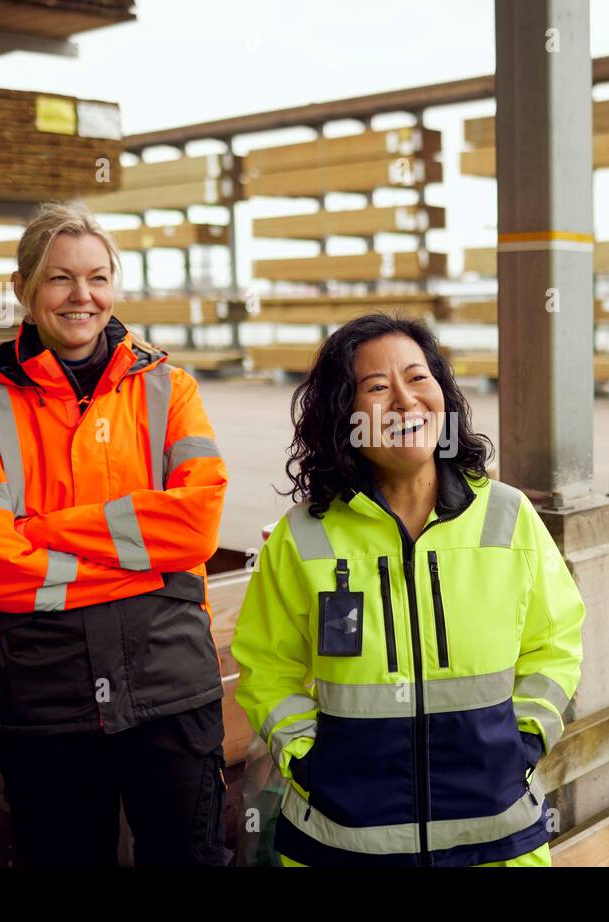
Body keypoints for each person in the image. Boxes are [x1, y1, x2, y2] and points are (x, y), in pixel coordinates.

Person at [231, 313, 584, 867]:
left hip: (494, 840)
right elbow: (267, 669)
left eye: (418, 378)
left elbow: (555, 645)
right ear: (343, 415)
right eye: (376, 388)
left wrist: (521, 746)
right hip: (344, 845)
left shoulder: (509, 517)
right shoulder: (304, 537)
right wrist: (308, 762)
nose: (404, 401)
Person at [0, 202, 230, 867]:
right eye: (59, 279)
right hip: (47, 699)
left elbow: (194, 527)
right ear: (24, 290)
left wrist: (43, 533)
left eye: (98, 277)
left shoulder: (169, 389)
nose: (82, 296)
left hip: (169, 687)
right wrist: (141, 562)